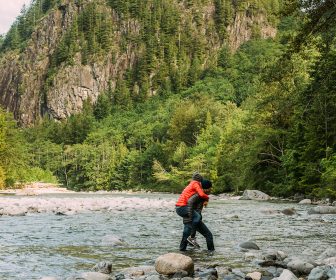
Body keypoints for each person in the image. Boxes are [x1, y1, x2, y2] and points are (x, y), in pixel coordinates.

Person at [175, 172, 210, 251]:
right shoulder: (195, 184)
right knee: (197, 216)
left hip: (180, 207)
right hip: (183, 207)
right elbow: (201, 194)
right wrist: (207, 198)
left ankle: (183, 250)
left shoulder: (191, 184)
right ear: (200, 180)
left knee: (186, 232)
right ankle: (192, 238)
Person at [185, 179, 214, 251]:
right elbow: (190, 204)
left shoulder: (203, 195)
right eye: (210, 187)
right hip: (193, 219)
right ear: (206, 188)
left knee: (185, 238)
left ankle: (186, 252)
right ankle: (211, 254)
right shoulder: (199, 195)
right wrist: (193, 218)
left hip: (192, 219)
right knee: (209, 235)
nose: (211, 189)